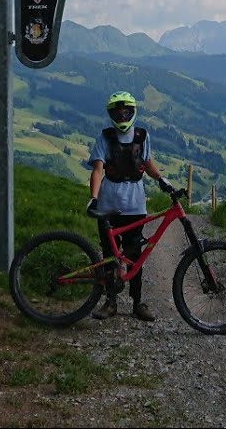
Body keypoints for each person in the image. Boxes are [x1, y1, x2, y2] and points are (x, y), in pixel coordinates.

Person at [86, 90, 174, 322]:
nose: (122, 116)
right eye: (118, 112)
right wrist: (93, 198)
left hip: (135, 206)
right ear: (111, 114)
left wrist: (163, 181)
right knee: (109, 256)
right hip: (108, 203)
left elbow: (147, 163)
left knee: (134, 256)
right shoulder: (105, 138)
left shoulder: (142, 137)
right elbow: (97, 170)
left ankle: (137, 302)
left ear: (133, 112)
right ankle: (110, 302)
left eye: (126, 112)